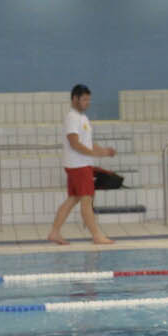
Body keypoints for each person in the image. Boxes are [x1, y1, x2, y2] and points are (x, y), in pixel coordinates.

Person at [46, 84, 117, 247]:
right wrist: (94, 154)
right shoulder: (72, 117)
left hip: (79, 164)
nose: (87, 102)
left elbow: (88, 143)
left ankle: (54, 232)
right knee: (86, 200)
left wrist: (104, 151)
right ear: (74, 99)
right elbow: (74, 143)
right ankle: (97, 236)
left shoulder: (82, 118)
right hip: (78, 165)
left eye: (88, 99)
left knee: (73, 199)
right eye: (84, 99)